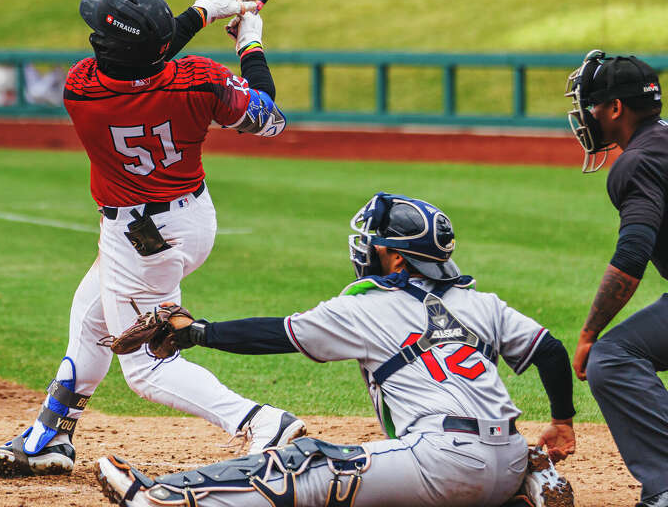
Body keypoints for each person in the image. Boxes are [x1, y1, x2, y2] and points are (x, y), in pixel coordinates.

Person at [0, 0, 300, 477]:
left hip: (140, 239)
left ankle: (260, 422)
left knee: (146, 368)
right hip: (189, 220)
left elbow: (141, 61)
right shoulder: (201, 80)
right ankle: (49, 436)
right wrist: (248, 41)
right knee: (90, 320)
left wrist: (201, 12)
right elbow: (267, 114)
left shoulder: (81, 88)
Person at [96, 192, 578, 507]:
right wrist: (562, 421)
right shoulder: (483, 303)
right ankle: (527, 485)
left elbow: (277, 334)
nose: (364, 249)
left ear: (396, 258)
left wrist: (197, 332)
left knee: (307, 464)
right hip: (509, 454)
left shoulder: (368, 308)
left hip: (440, 462)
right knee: (454, 473)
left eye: (374, 244)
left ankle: (161, 498)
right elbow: (551, 351)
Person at [565, 51, 668, 507]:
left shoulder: (638, 162)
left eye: (591, 105)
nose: (586, 115)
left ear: (616, 108)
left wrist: (590, 334)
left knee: (612, 358)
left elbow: (632, 254)